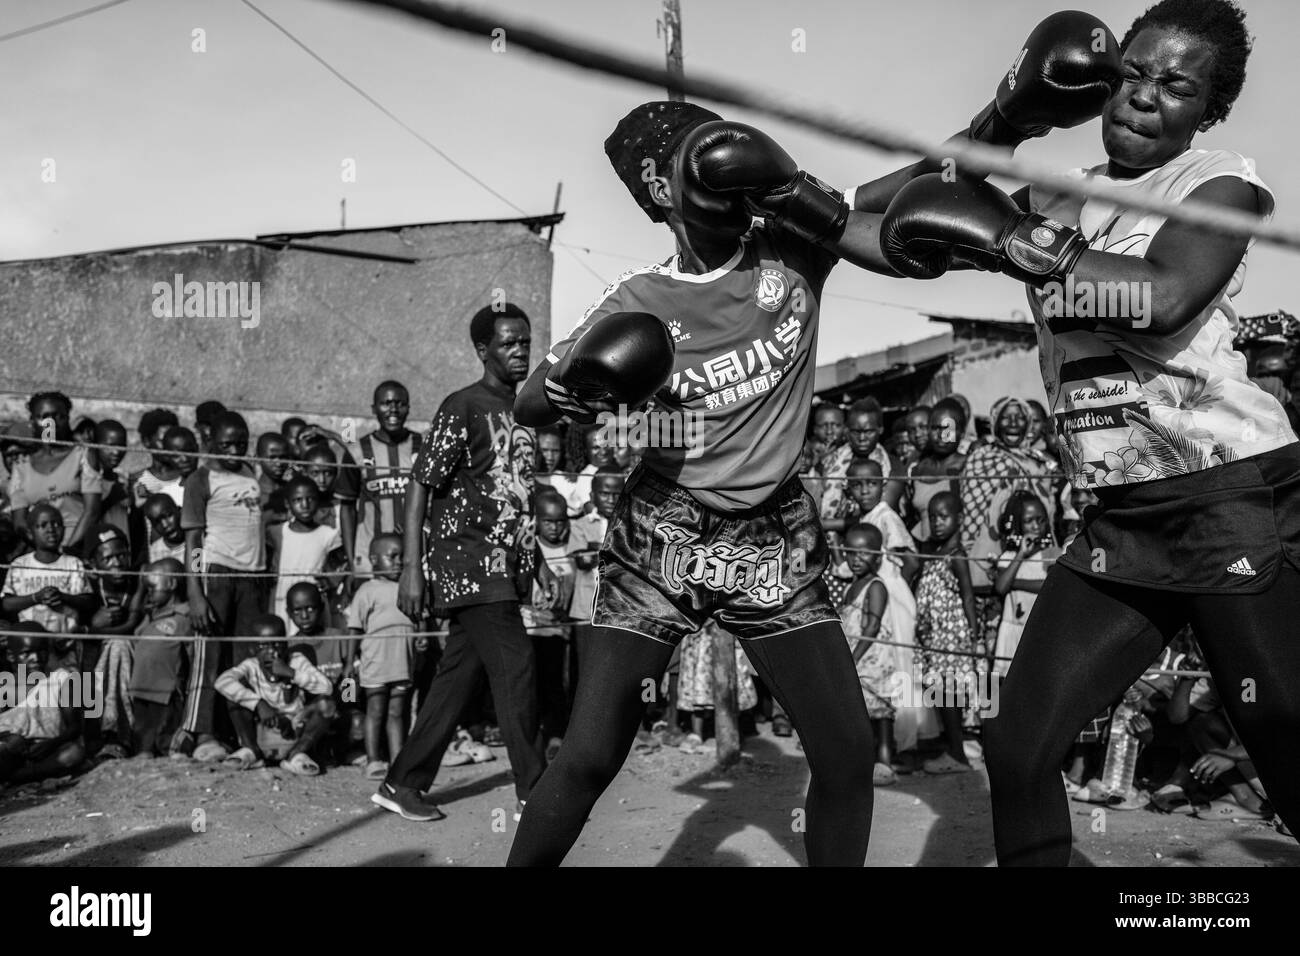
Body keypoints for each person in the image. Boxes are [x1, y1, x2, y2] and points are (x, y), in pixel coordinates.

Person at [876, 0, 1300, 861]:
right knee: (1019, 745)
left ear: (1208, 111)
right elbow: (885, 218)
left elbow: (1161, 298)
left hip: (1229, 502)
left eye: (1176, 86)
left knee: (1290, 758)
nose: (1145, 97)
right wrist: (1004, 117)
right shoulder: (1057, 194)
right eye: (1133, 72)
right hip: (1119, 522)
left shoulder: (1219, 181)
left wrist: (1019, 240)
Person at [509, 100, 902, 866]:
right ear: (661, 186)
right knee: (590, 753)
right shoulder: (639, 300)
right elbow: (530, 400)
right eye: (703, 154)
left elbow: (907, 188)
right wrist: (579, 386)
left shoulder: (792, 244)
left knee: (849, 754)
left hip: (774, 538)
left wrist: (1008, 116)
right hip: (662, 533)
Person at [373, 303, 553, 824]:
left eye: (525, 342)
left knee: (457, 676)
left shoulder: (522, 412)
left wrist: (536, 559)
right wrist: (412, 567)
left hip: (507, 566)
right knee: (518, 668)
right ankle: (534, 794)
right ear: (483, 350)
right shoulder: (463, 406)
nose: (520, 351)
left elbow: (516, 495)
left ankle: (402, 783)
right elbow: (420, 485)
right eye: (507, 343)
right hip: (468, 563)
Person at [178, 410, 265, 763]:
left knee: (243, 658)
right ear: (211, 442)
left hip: (252, 576)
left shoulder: (250, 474)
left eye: (240, 443)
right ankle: (201, 733)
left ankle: (243, 736)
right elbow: (193, 541)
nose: (233, 450)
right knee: (209, 655)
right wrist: (195, 592)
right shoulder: (201, 479)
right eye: (226, 443)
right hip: (217, 574)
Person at [215, 615, 333, 775]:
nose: (272, 651)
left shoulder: (296, 660)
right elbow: (221, 682)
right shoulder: (251, 666)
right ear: (252, 649)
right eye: (264, 645)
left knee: (328, 704)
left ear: (286, 644)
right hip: (263, 729)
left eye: (278, 644)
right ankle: (251, 751)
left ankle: (296, 755)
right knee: (233, 694)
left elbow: (327, 688)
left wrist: (291, 673)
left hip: (295, 729)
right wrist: (258, 704)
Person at [914, 492, 980, 774]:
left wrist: (973, 631)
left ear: (959, 519)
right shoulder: (934, 550)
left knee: (948, 694)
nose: (937, 523)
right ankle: (952, 750)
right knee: (940, 694)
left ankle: (957, 755)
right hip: (934, 636)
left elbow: (967, 596)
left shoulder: (957, 555)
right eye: (932, 517)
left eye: (944, 517)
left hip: (951, 635)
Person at [335, 381, 422, 581]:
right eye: (386, 403)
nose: (393, 410)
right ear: (374, 408)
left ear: (408, 408)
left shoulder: (423, 447)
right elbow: (347, 507)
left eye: (400, 403)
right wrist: (351, 560)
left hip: (416, 556)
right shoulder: (357, 451)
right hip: (369, 559)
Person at [346, 532, 415, 782]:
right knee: (374, 711)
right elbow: (354, 629)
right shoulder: (367, 590)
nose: (398, 562)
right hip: (375, 663)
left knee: (397, 712)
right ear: (374, 559)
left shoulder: (410, 587)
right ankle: (374, 759)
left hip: (403, 663)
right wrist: (348, 665)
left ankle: (398, 761)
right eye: (392, 556)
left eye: (402, 557)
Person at [838, 523, 900, 786]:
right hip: (858, 658)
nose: (855, 559)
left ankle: (885, 764)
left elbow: (872, 627)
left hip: (872, 660)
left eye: (863, 554)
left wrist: (853, 658)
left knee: (880, 715)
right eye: (850, 553)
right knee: (862, 714)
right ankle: (865, 761)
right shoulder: (853, 585)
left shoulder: (875, 586)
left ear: (878, 555)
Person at [7, 392, 102, 551]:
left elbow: (92, 511)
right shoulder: (21, 465)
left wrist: (67, 549)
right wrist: (47, 550)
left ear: (68, 419)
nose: (51, 423)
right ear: (32, 421)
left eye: (59, 416)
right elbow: (19, 522)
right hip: (41, 553)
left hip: (79, 547)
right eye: (44, 417)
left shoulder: (83, 455)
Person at [0, 625, 85, 784]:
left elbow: (75, 727)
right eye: (27, 653)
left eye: (41, 651)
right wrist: (10, 739)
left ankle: (16, 777)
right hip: (10, 750)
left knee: (73, 753)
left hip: (47, 750)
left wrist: (51, 744)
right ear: (11, 656)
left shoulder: (61, 680)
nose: (36, 658)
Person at [990, 492, 1061, 677]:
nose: (1036, 526)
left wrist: (1015, 583)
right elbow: (1001, 587)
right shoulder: (1009, 557)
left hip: (1038, 631)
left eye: (1041, 520)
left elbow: (1049, 586)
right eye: (1029, 521)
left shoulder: (1052, 553)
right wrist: (1021, 554)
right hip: (1012, 630)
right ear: (1018, 524)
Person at [130, 558, 192, 757]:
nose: (148, 592)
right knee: (142, 736)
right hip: (141, 689)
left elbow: (192, 654)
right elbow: (135, 628)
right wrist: (141, 588)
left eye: (152, 587)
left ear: (172, 584)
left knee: (164, 736)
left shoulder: (185, 615)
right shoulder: (151, 616)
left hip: (165, 692)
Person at [1, 504, 95, 633]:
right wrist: (36, 598)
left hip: (66, 639)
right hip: (31, 642)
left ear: (64, 529)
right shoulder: (20, 565)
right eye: (43, 525)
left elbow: (88, 602)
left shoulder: (73, 563)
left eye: (56, 524)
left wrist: (63, 597)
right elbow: (7, 604)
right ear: (30, 532)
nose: (51, 529)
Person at [267, 476, 341, 628]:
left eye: (310, 499)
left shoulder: (328, 534)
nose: (305, 505)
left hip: (313, 599)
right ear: (288, 504)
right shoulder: (277, 532)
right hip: (283, 595)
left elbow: (340, 565)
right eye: (298, 500)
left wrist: (331, 581)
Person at [908, 399, 968, 542]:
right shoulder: (918, 469)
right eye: (935, 428)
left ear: (962, 433)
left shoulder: (969, 467)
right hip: (926, 553)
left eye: (948, 429)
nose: (941, 435)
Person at [141, 493, 187, 565]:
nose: (165, 525)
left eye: (168, 515)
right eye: (157, 522)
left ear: (179, 511)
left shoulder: (199, 540)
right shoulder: (155, 551)